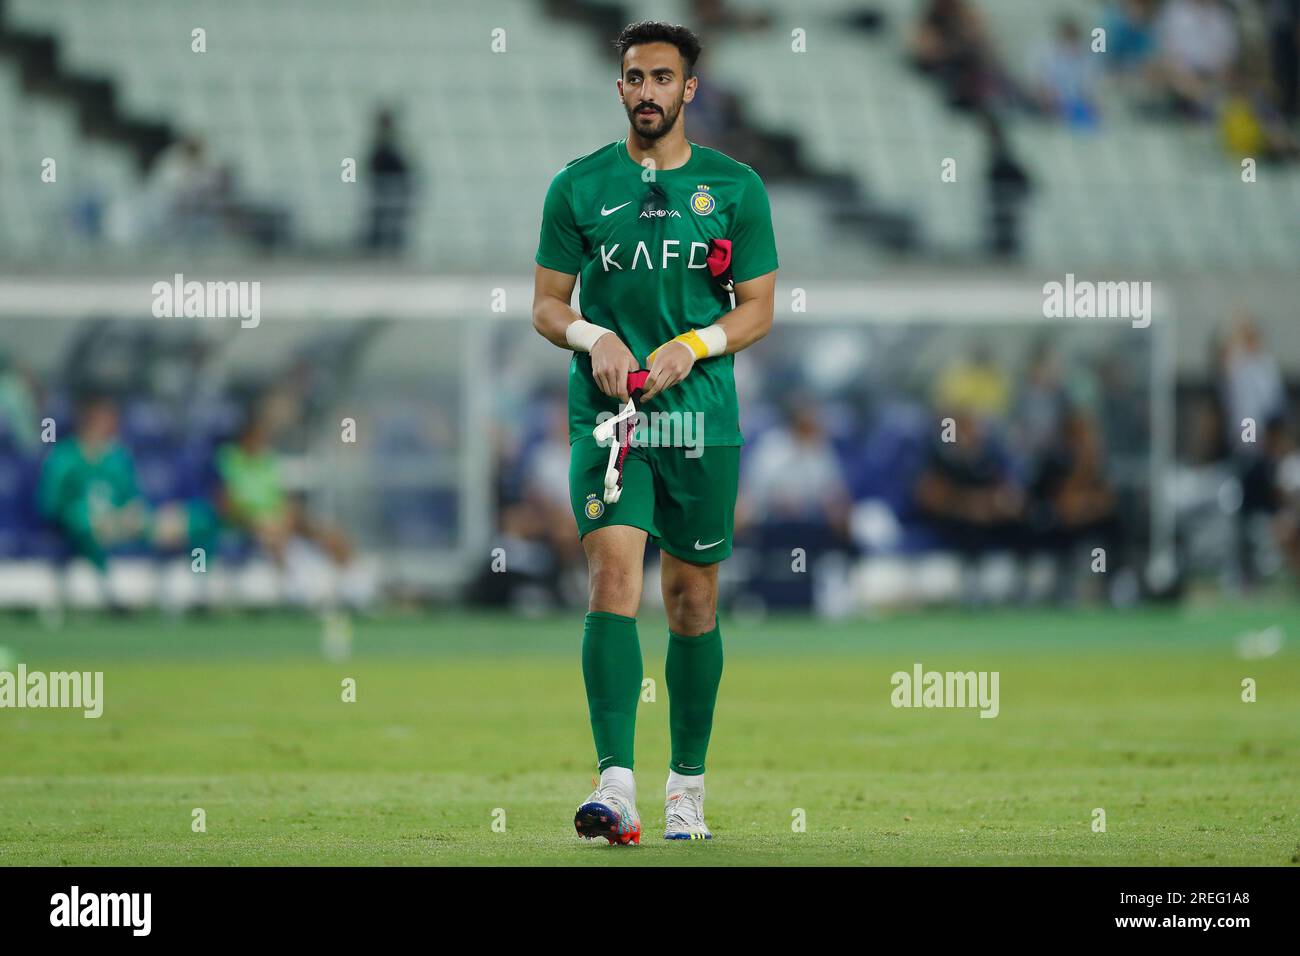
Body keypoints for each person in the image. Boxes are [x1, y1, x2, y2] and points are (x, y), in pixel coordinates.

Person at [532, 20, 778, 844]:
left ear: (689, 90)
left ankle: (686, 791)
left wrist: (692, 344)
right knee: (612, 579)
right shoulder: (578, 186)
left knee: (692, 600)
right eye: (635, 78)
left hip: (702, 418)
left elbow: (758, 310)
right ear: (620, 87)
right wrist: (591, 337)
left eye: (662, 78)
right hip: (610, 417)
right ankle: (616, 787)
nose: (647, 92)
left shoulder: (736, 188)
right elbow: (546, 303)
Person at [37, 394, 215, 582]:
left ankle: (198, 579)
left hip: (123, 524)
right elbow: (50, 504)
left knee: (200, 518)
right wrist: (87, 515)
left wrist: (132, 514)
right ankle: (108, 585)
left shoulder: (119, 457)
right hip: (88, 527)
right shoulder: (64, 457)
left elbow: (133, 499)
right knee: (83, 524)